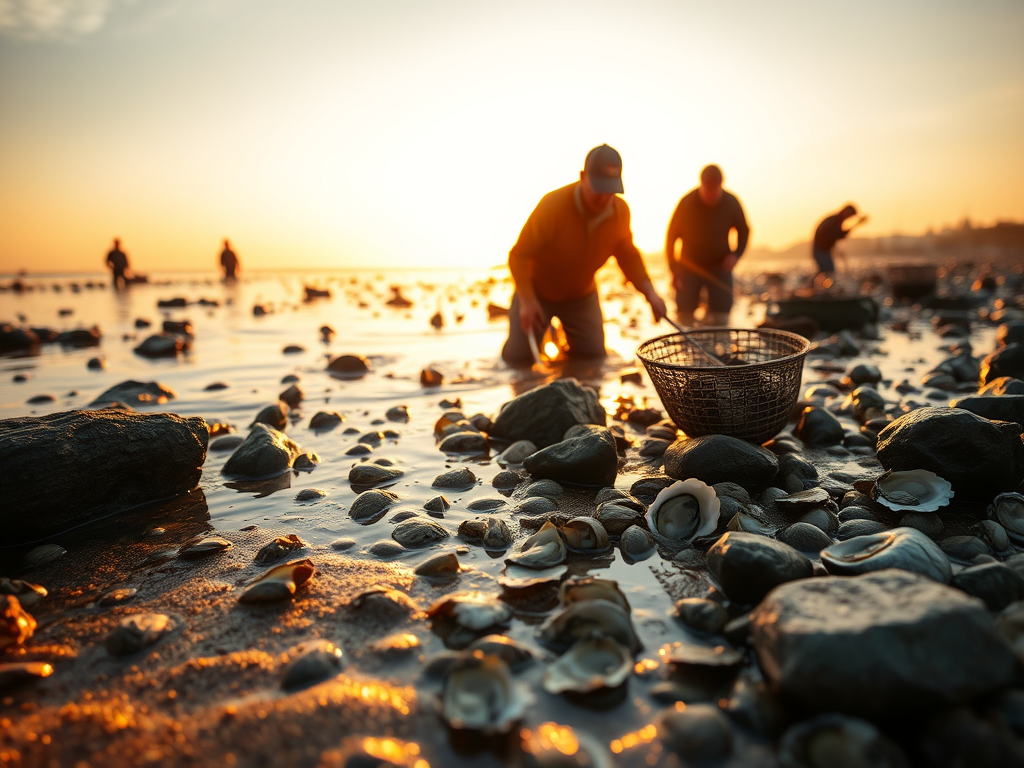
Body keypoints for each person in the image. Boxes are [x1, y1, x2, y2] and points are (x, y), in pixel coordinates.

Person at [501, 144, 667, 365]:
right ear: (582, 177)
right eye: (599, 188)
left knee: (594, 358)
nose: (604, 198)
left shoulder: (620, 212)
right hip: (537, 293)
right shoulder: (553, 205)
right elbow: (518, 255)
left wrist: (650, 293)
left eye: (611, 190)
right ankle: (542, 335)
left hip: (581, 297)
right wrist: (528, 300)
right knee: (517, 360)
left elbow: (628, 256)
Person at [665, 165, 749, 326]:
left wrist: (736, 254)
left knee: (722, 313)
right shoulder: (686, 203)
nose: (711, 194)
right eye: (707, 190)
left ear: (721, 185)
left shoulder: (731, 202)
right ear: (701, 185)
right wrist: (673, 267)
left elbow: (744, 231)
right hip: (689, 266)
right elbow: (671, 236)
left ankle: (720, 347)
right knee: (684, 312)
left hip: (720, 266)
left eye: (715, 190)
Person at [811, 205, 866, 288]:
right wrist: (856, 225)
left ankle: (815, 288)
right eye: (851, 215)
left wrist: (856, 225)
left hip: (823, 249)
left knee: (824, 270)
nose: (850, 218)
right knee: (829, 270)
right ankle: (822, 289)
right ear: (846, 212)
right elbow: (838, 235)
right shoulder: (834, 221)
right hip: (821, 249)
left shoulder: (835, 220)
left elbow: (839, 235)